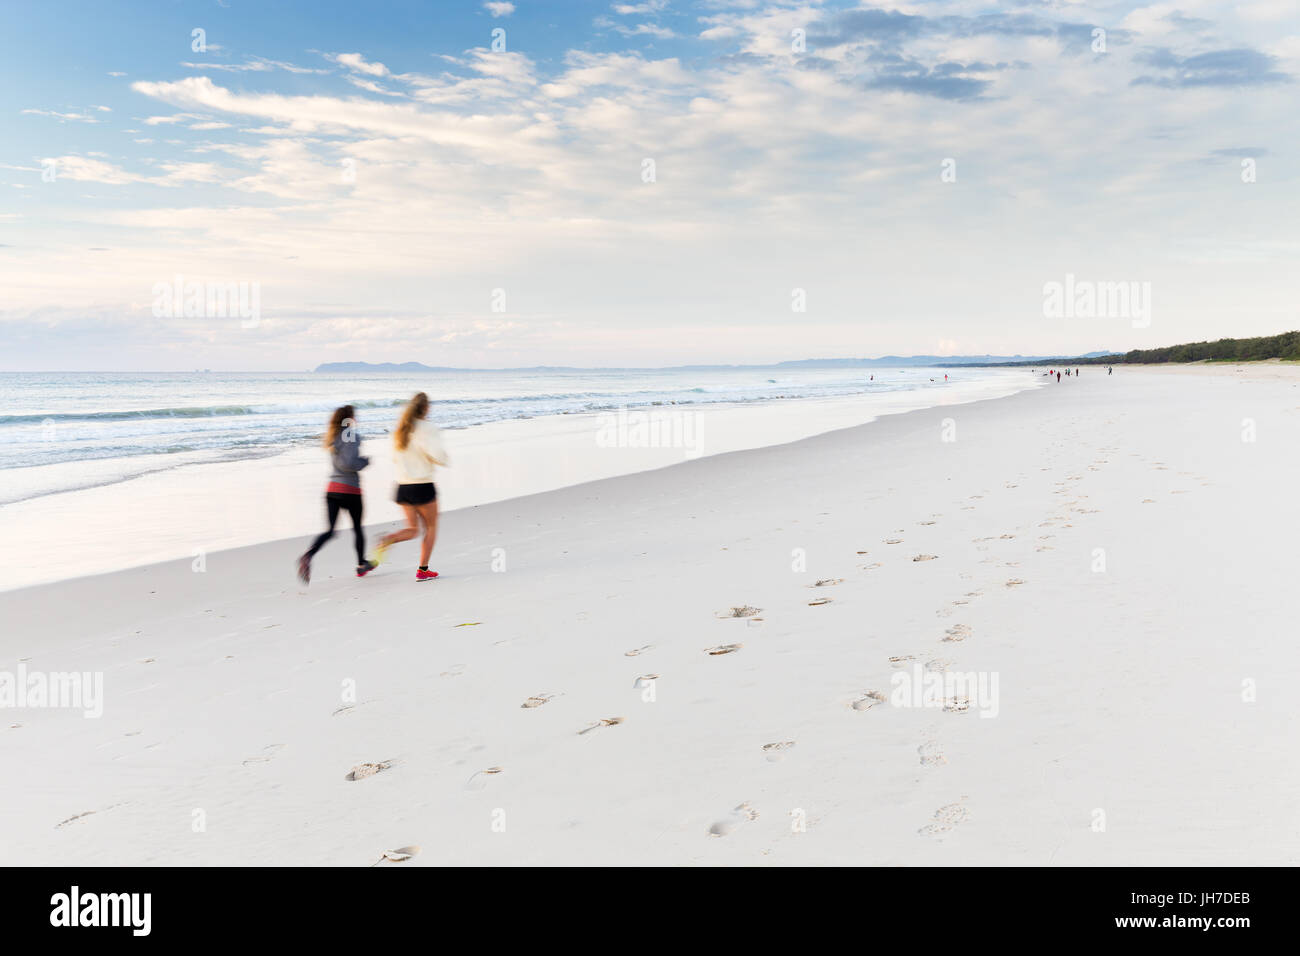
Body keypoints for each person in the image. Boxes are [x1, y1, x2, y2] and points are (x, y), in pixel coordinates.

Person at [374, 392, 449, 581]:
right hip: (422, 485)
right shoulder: (427, 428)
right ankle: (423, 569)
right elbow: (437, 454)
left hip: (403, 486)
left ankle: (388, 540)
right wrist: (442, 459)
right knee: (431, 527)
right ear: (425, 408)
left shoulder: (400, 430)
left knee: (413, 529)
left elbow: (394, 457)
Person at [298, 405, 375, 584]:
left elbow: (340, 461)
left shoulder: (332, 436)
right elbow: (348, 463)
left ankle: (308, 555)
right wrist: (364, 461)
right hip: (350, 490)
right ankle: (361, 564)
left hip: (332, 489)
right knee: (357, 528)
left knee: (330, 531)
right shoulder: (350, 435)